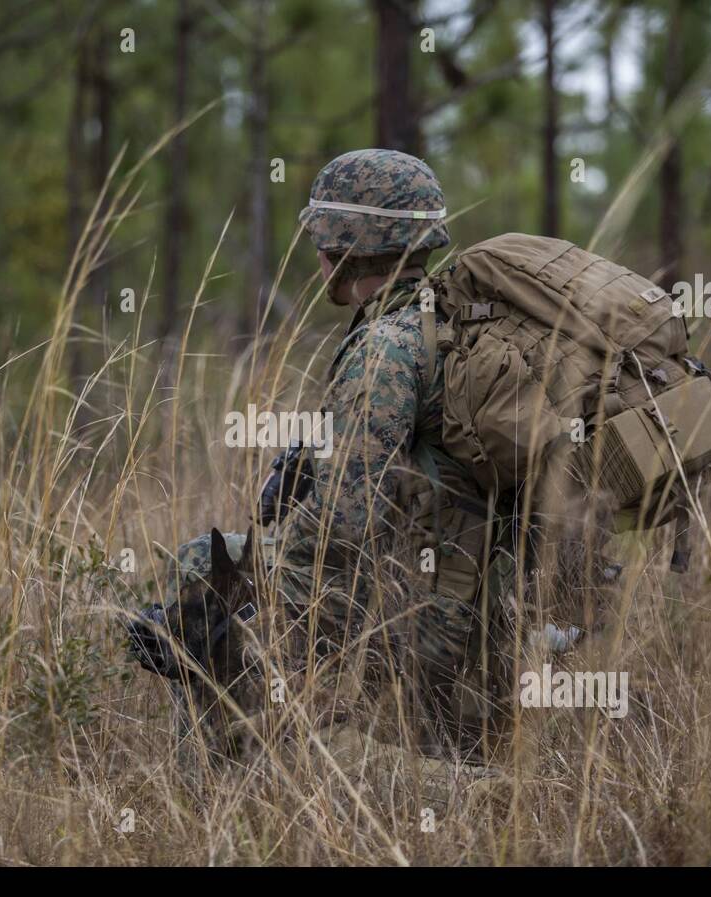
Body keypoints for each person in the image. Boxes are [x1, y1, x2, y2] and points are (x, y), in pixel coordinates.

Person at [149, 149, 525, 750]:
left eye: (323, 238)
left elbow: (344, 530)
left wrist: (222, 618)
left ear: (345, 247)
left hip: (433, 612)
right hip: (492, 585)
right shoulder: (455, 320)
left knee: (203, 572)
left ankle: (237, 778)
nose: (317, 254)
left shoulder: (384, 349)